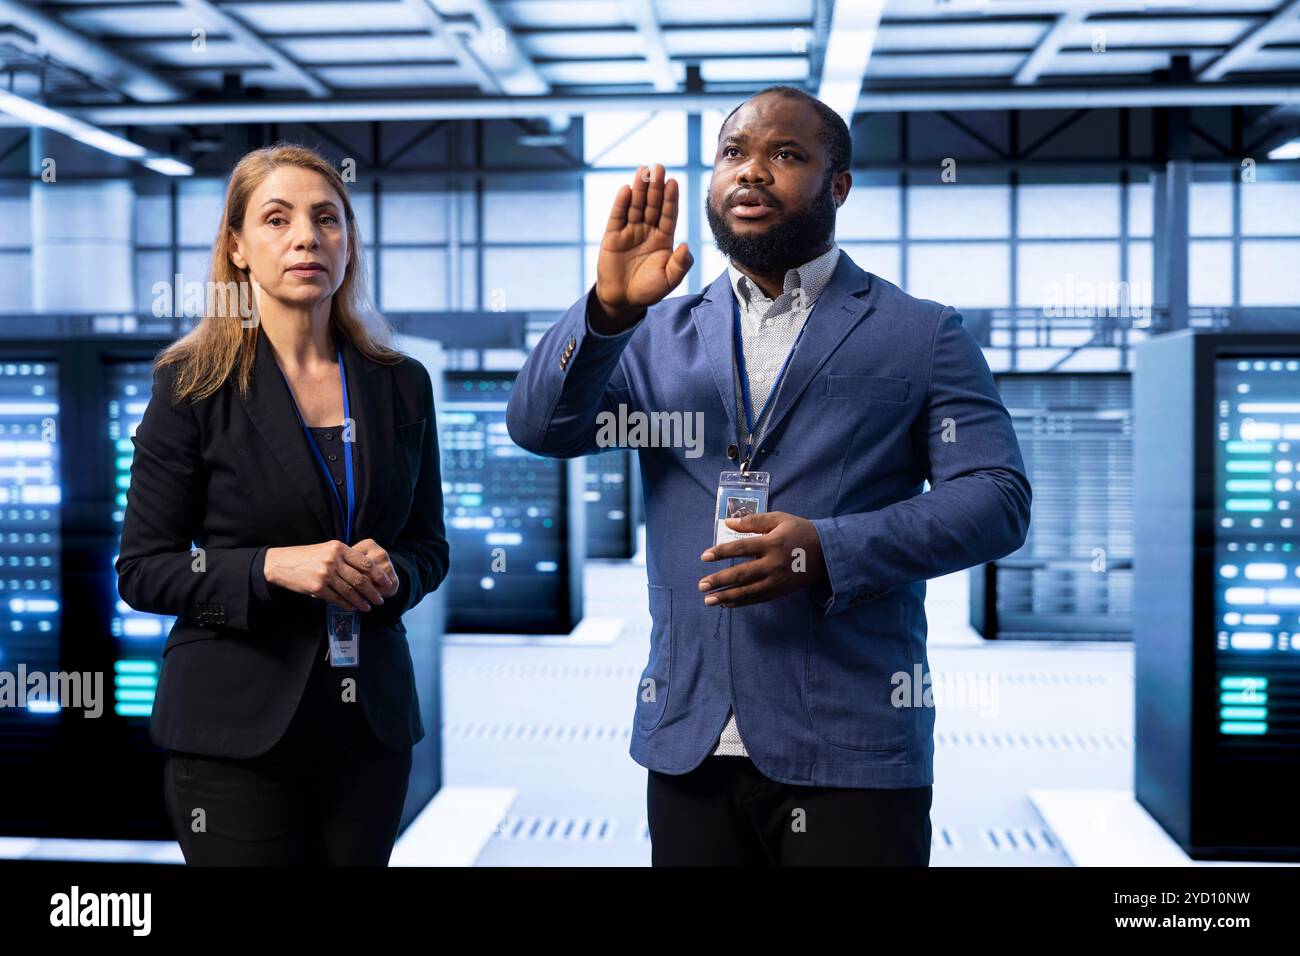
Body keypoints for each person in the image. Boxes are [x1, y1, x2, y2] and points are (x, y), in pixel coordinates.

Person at [506, 86, 1032, 866]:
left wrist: (828, 549)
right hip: (688, 743)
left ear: (838, 185)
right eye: (733, 153)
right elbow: (540, 428)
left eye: (785, 155)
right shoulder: (653, 335)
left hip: (852, 746)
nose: (751, 172)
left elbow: (997, 499)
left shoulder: (922, 333)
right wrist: (607, 310)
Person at [115, 143, 449, 865]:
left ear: (349, 243)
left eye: (327, 219)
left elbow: (431, 545)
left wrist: (398, 573)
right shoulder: (190, 387)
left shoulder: (401, 385)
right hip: (234, 734)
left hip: (370, 732)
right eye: (277, 219)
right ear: (236, 246)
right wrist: (272, 568)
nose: (307, 237)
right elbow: (144, 571)